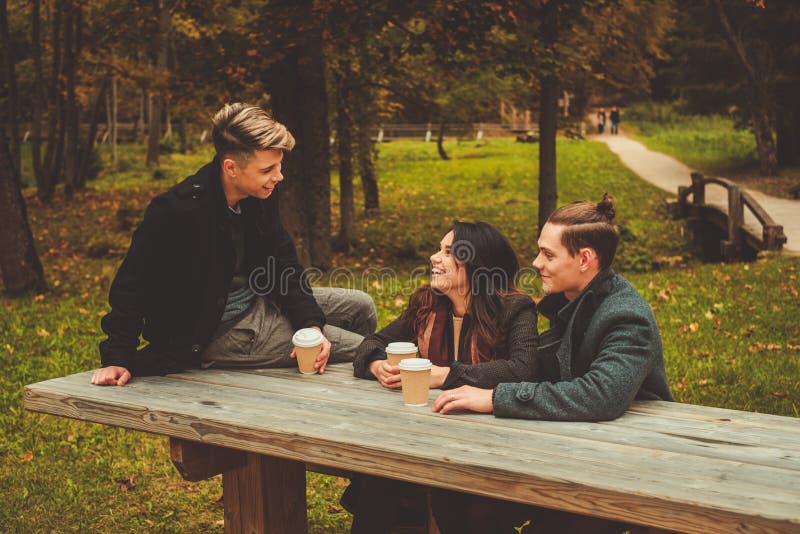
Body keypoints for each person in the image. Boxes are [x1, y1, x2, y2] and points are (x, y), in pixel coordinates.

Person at [432, 194, 673, 533]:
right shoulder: (569, 304)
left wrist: (495, 398)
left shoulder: (626, 315)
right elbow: (535, 367)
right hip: (570, 446)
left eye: (547, 254)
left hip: (626, 464)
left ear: (585, 259)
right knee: (456, 497)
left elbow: (601, 395)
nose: (536, 262)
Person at [91, 103, 376, 385]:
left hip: (259, 300)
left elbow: (283, 263)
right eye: (268, 169)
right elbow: (133, 285)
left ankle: (335, 394)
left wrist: (310, 324)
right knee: (367, 351)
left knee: (361, 307)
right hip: (215, 331)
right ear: (231, 168)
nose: (279, 176)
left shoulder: (259, 196)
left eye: (279, 165)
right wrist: (118, 356)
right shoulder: (176, 211)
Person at [346, 221, 540, 533]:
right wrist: (376, 365)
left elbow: (525, 369)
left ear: (478, 264)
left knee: (462, 503)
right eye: (439, 249)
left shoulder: (514, 308)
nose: (435, 257)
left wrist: (447, 375)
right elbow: (372, 343)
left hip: (491, 445)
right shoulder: (428, 304)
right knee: (377, 474)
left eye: (449, 252)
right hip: (424, 434)